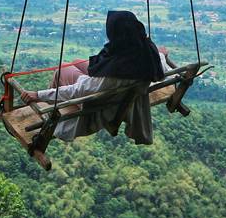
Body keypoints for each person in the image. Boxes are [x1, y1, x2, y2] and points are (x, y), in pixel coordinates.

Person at [17, 10, 172, 143]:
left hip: (102, 103)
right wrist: (162, 55)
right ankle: (53, 100)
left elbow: (77, 91)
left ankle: (51, 111)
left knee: (62, 70)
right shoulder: (148, 54)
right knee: (77, 62)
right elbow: (162, 66)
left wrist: (38, 95)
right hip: (119, 91)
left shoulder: (115, 74)